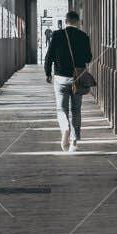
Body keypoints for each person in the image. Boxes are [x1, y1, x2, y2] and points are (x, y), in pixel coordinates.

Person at [44, 9, 93, 153]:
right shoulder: (83, 36)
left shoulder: (57, 35)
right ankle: (74, 141)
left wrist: (48, 73)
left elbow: (49, 56)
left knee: (61, 109)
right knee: (76, 110)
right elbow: (88, 58)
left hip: (60, 78)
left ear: (66, 22)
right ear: (77, 22)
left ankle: (65, 128)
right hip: (77, 79)